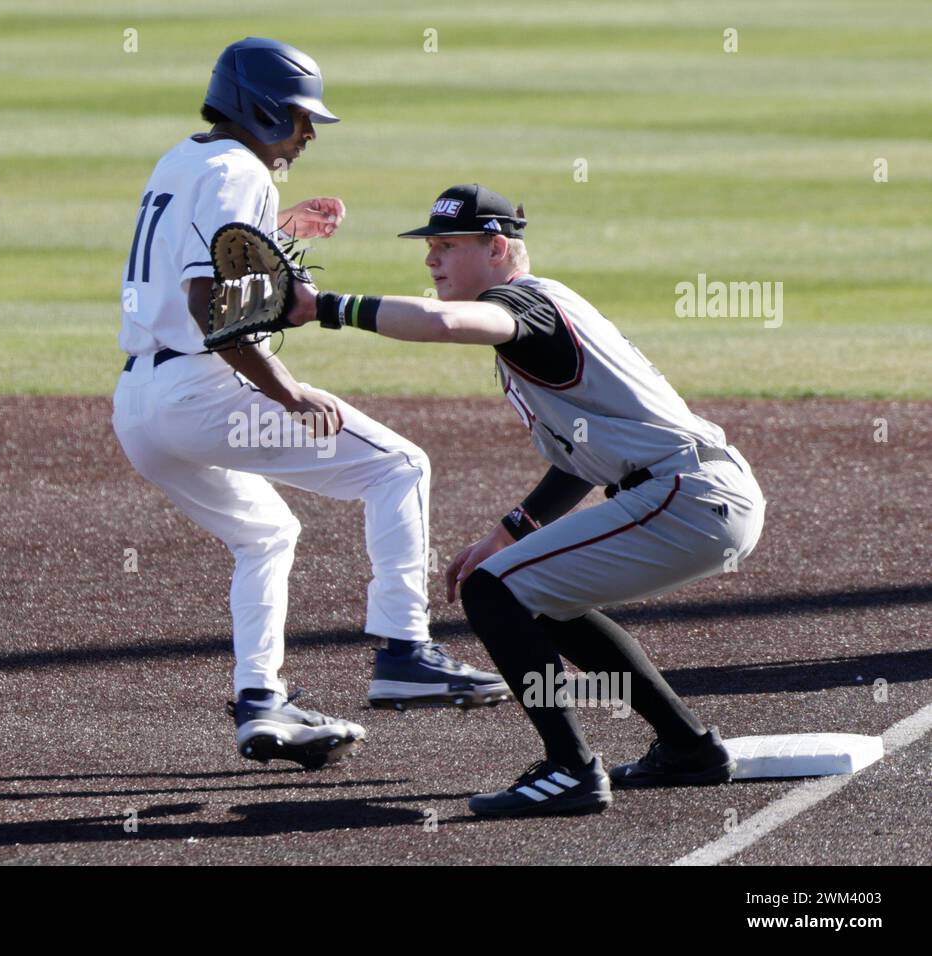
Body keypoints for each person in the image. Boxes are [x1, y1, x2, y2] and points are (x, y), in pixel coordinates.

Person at [285, 183, 766, 813]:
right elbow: (579, 462)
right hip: (695, 493)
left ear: (497, 247)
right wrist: (511, 531)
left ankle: (571, 770)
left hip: (687, 494)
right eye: (430, 246)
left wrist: (324, 307)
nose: (432, 260)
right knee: (539, 595)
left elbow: (441, 321)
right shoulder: (541, 313)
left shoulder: (525, 307)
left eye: (448, 245)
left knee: (494, 590)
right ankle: (687, 747)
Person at [111, 43, 506, 771]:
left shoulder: (185, 159)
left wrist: (280, 229)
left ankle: (261, 703)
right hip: (200, 391)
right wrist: (288, 394)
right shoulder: (242, 170)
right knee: (399, 468)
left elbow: (190, 265)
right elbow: (209, 305)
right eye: (299, 117)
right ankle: (405, 654)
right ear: (260, 108)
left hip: (139, 406)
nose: (308, 134)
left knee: (265, 535)